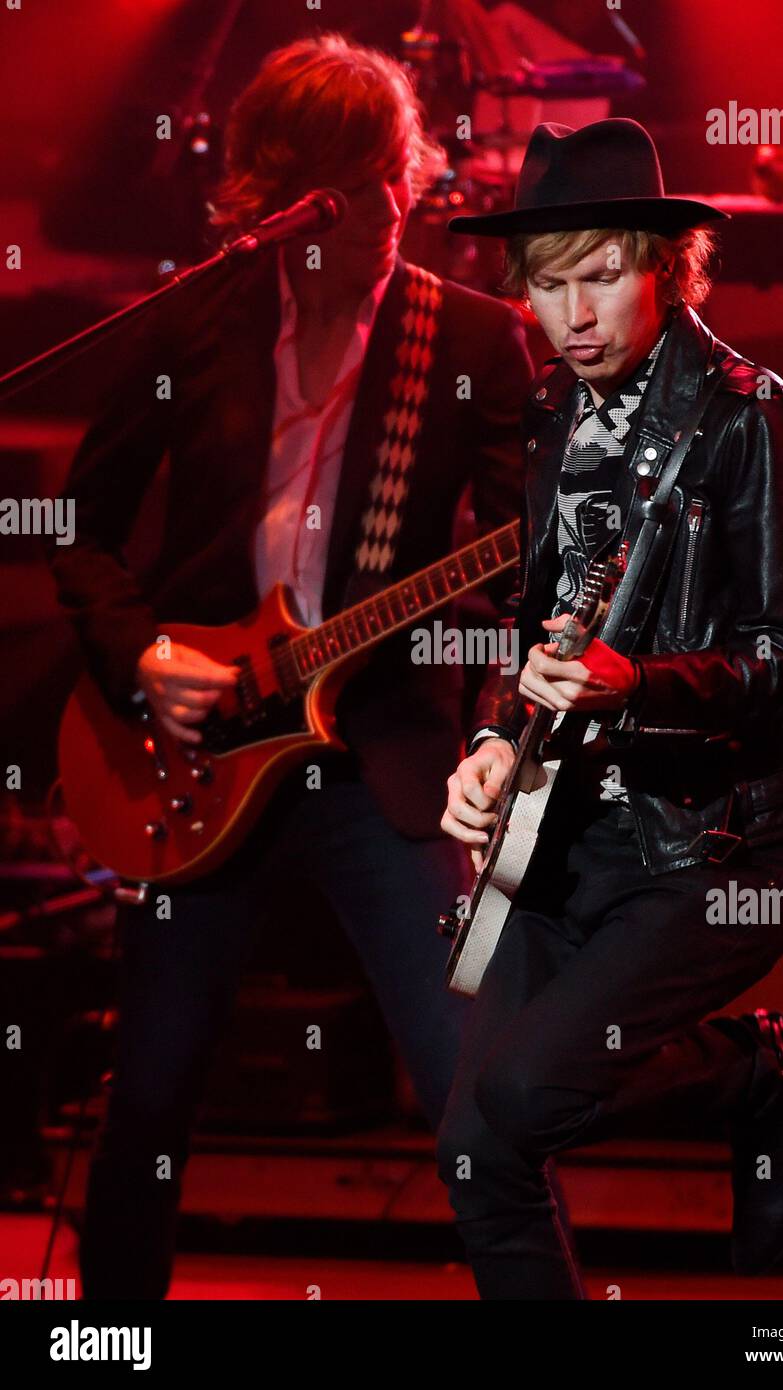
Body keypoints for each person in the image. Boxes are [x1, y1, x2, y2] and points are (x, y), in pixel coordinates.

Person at [47, 33, 533, 1299]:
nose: (377, 213)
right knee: (147, 1097)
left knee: (473, 1096)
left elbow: (544, 565)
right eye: (338, 191)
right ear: (273, 200)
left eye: (387, 180)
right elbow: (81, 527)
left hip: (383, 759)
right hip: (190, 758)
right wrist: (142, 653)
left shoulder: (471, 342)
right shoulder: (198, 320)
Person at [437, 117, 783, 1299]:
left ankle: (765, 1075)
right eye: (548, 288)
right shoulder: (551, 416)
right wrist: (489, 745)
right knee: (475, 1148)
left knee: (522, 1093)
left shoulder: (748, 418)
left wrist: (637, 685)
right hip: (563, 833)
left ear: (667, 268)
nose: (573, 316)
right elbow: (539, 626)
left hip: (711, 846)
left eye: (601, 277)